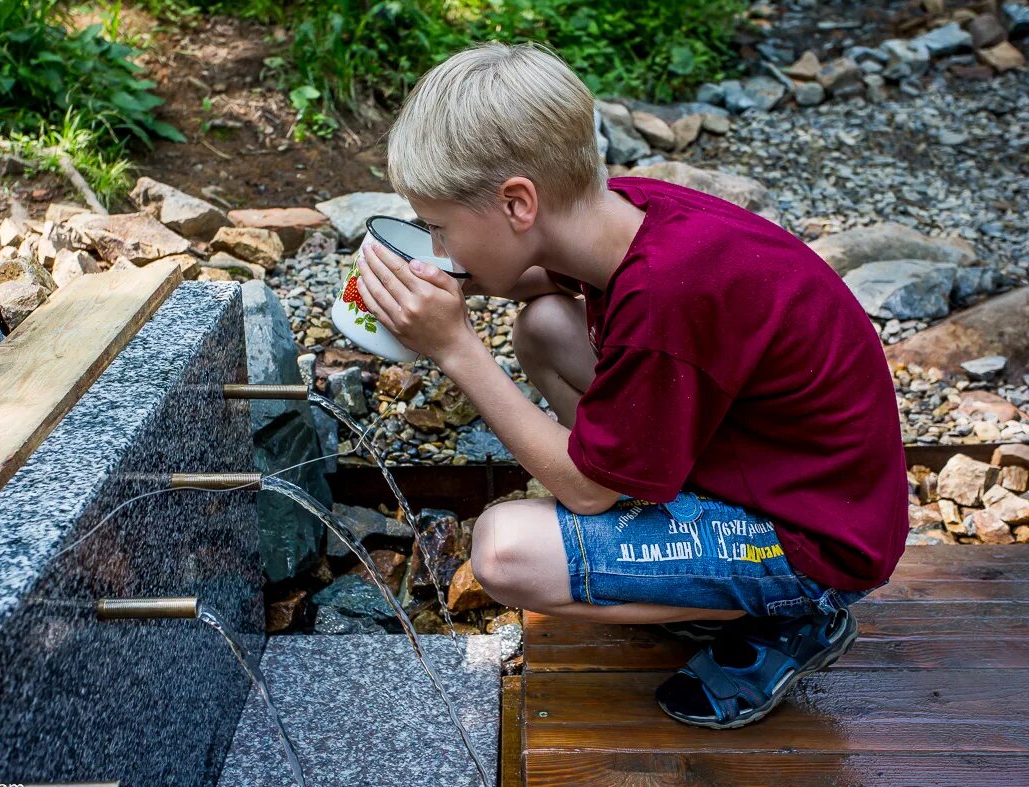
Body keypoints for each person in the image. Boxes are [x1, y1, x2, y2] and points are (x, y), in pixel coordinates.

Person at [354, 40, 907, 729]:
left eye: (439, 229)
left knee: (506, 550)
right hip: (779, 467)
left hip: (818, 542)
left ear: (519, 203)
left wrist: (455, 347)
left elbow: (587, 489)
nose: (438, 249)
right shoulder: (628, 214)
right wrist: (450, 286)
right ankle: (671, 552)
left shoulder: (668, 299)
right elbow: (542, 280)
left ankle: (795, 616)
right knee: (546, 328)